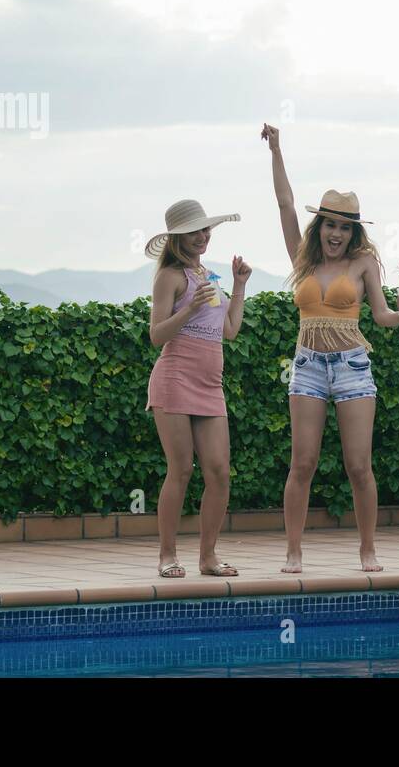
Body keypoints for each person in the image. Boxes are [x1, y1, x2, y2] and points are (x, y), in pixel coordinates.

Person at [261, 123, 399, 573]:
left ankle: (367, 548)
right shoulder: (302, 258)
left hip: (352, 365)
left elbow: (384, 315)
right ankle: (293, 550)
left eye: (344, 228)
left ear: (352, 233)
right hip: (307, 365)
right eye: (330, 224)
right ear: (320, 226)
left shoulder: (364, 263)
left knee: (358, 466)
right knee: (302, 463)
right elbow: (285, 204)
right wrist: (277, 150)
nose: (336, 233)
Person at [144, 199, 251, 579]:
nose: (203, 236)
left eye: (206, 230)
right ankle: (167, 555)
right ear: (178, 237)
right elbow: (156, 335)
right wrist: (188, 310)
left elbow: (230, 330)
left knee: (219, 472)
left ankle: (208, 557)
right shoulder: (170, 276)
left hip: (210, 384)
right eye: (195, 231)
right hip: (174, 379)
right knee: (181, 470)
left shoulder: (209, 274)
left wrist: (238, 286)